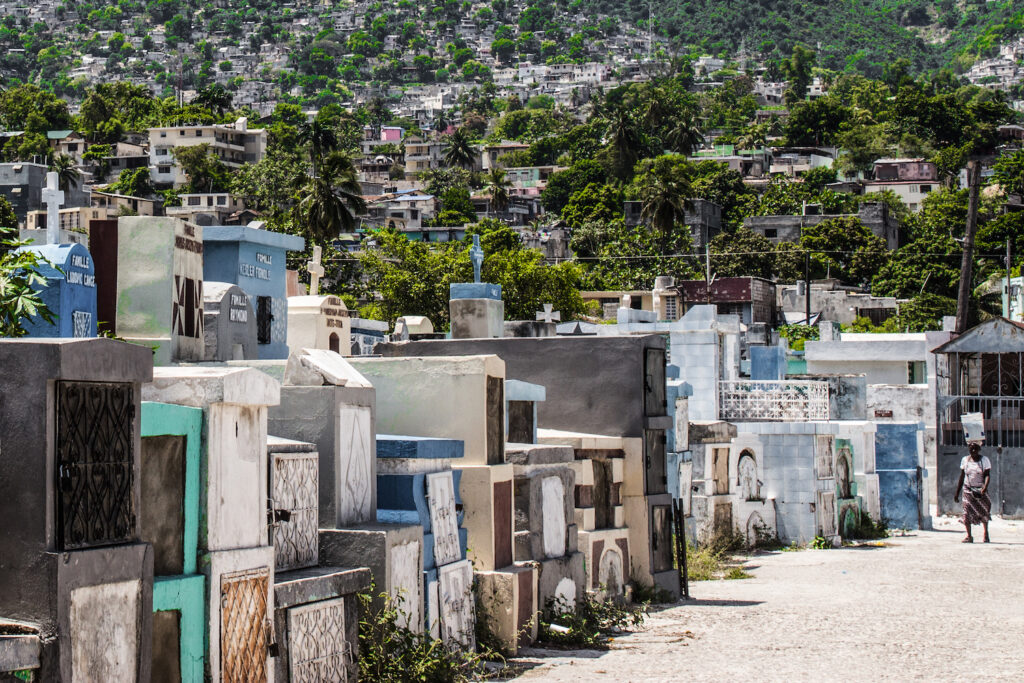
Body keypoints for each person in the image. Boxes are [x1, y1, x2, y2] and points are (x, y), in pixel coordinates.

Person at [954, 442, 992, 543]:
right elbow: (962, 477)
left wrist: (984, 488)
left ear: (979, 449)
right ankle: (969, 536)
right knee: (966, 513)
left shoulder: (984, 460)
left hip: (981, 491)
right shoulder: (965, 460)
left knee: (984, 513)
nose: (973, 451)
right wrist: (957, 493)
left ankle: (986, 534)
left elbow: (987, 475)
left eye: (975, 449)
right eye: (971, 449)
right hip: (968, 490)